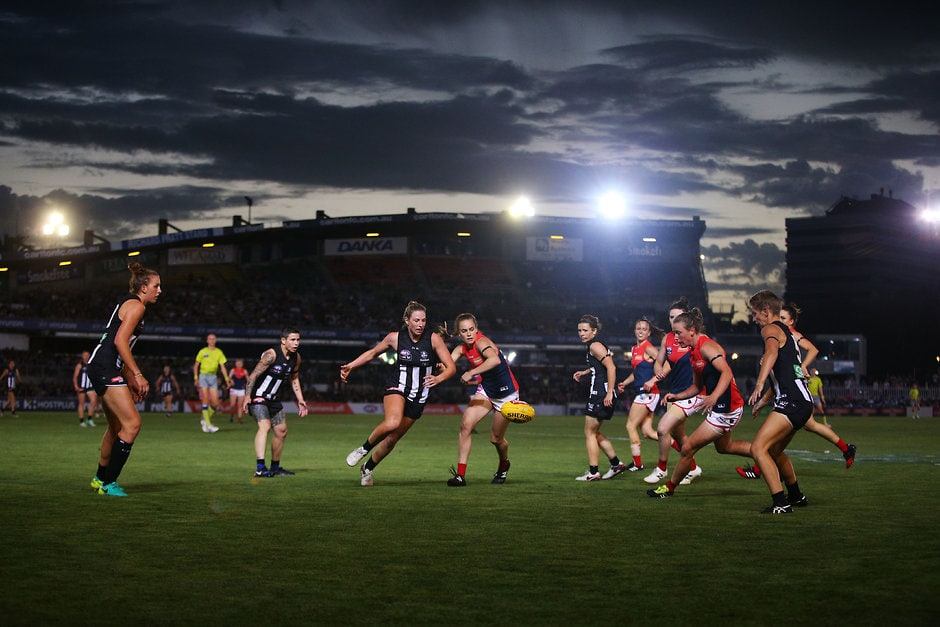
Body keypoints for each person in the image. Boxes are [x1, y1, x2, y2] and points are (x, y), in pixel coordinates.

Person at [342, 301, 456, 486]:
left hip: (419, 395)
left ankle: (367, 468)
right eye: (416, 320)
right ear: (407, 320)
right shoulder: (395, 338)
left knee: (392, 439)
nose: (420, 324)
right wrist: (351, 366)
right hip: (398, 386)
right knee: (392, 422)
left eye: (423, 320)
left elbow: (451, 367)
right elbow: (372, 353)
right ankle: (363, 449)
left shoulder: (434, 339)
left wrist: (439, 378)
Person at [737, 302, 856, 476]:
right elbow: (778, 379)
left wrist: (802, 366)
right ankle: (845, 449)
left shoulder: (789, 335)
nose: (780, 321)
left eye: (784, 318)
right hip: (790, 395)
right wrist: (764, 399)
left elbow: (813, 349)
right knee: (797, 433)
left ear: (791, 321)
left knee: (769, 441)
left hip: (793, 397)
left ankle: (760, 472)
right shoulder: (777, 335)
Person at [646, 308, 752, 500]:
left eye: (679, 333)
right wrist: (677, 396)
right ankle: (764, 454)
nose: (675, 337)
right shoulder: (694, 352)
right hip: (721, 407)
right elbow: (697, 386)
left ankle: (668, 488)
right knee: (724, 448)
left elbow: (727, 373)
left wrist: (713, 397)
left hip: (727, 409)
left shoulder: (706, 346)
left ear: (692, 331)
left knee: (687, 448)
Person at [87, 262, 161, 496]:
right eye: (156, 286)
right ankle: (110, 484)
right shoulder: (137, 307)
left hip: (102, 366)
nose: (160, 291)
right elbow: (120, 342)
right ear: (143, 287)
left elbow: (122, 347)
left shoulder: (129, 302)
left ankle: (100, 478)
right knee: (132, 425)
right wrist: (138, 375)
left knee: (116, 427)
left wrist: (130, 379)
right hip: (105, 367)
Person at [745, 290, 814, 514]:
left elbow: (772, 353)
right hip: (802, 401)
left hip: (792, 402)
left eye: (755, 313)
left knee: (758, 448)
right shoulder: (788, 332)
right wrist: (764, 400)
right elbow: (784, 373)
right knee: (774, 450)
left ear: (766, 312)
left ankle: (780, 502)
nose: (754, 318)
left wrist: (758, 384)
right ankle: (795, 495)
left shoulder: (770, 328)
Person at [444, 313, 520, 487]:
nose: (469, 333)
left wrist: (471, 372)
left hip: (507, 395)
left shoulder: (482, 342)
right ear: (459, 334)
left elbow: (494, 360)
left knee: (496, 439)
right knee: (465, 426)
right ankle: (460, 476)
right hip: (486, 391)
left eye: (472, 329)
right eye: (464, 331)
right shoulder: (461, 348)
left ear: (476, 329)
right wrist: (438, 364)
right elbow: (447, 363)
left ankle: (504, 464)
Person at [643, 297, 703, 485]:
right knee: (677, 435)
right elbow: (660, 362)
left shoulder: (691, 339)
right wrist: (657, 372)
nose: (672, 320)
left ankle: (661, 468)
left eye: (677, 316)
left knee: (662, 429)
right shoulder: (668, 338)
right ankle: (692, 468)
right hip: (675, 392)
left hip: (691, 392)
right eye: (670, 316)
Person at [243, 328, 308, 477]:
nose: (296, 343)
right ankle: (260, 468)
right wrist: (247, 396)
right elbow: (253, 376)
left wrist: (301, 400)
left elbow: (294, 378)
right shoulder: (271, 355)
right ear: (283, 340)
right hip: (258, 397)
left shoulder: (296, 358)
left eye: (298, 340)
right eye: (293, 340)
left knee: (281, 431)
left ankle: (274, 468)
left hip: (273, 399)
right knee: (265, 427)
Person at [572, 314, 628, 481]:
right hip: (601, 393)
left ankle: (593, 472)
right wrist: (585, 371)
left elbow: (611, 367)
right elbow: (600, 366)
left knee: (589, 432)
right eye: (579, 330)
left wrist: (610, 392)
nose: (581, 333)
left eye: (585, 330)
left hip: (600, 394)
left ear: (594, 331)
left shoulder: (595, 345)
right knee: (594, 432)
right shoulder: (596, 345)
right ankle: (616, 464)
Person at [616, 317, 663, 472]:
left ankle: (637, 463)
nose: (641, 331)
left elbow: (665, 363)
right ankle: (679, 445)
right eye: (638, 328)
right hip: (644, 393)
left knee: (630, 425)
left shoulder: (648, 347)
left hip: (648, 393)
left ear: (649, 332)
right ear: (635, 331)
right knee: (648, 432)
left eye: (644, 329)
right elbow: (637, 373)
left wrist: (653, 380)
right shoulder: (635, 349)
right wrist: (625, 382)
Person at [193, 333, 230, 433]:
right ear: (207, 341)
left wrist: (227, 379)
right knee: (205, 399)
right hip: (203, 376)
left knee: (215, 403)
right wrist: (196, 378)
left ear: (216, 340)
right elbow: (196, 365)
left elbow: (222, 367)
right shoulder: (203, 351)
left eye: (214, 339)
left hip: (213, 377)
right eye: (210, 339)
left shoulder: (219, 352)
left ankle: (204, 419)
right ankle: (208, 425)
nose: (212, 340)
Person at [73, 351, 98, 427]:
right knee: (81, 403)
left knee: (93, 401)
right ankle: (81, 421)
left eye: (87, 355)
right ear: (82, 356)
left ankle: (89, 419)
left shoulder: (92, 365)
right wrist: (76, 386)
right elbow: (75, 376)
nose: (86, 356)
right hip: (82, 387)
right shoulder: (80, 365)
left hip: (90, 387)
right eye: (85, 355)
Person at [228, 358, 248, 423]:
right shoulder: (233, 370)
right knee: (232, 405)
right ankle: (232, 416)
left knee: (240, 405)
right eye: (237, 363)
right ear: (235, 364)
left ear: (242, 364)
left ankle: (239, 419)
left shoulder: (244, 371)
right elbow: (228, 378)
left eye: (240, 363)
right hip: (233, 389)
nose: (239, 364)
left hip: (241, 390)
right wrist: (230, 381)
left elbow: (248, 379)